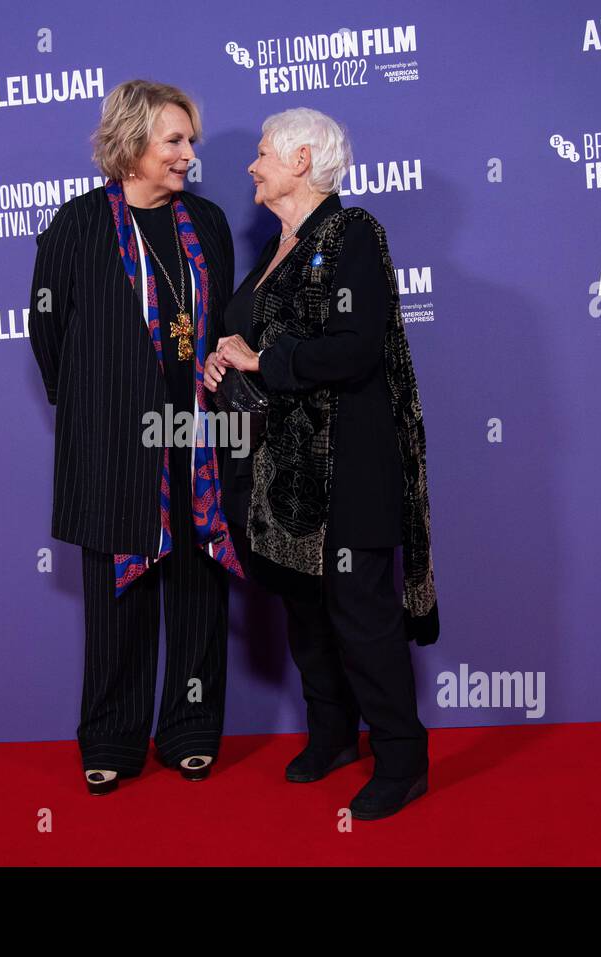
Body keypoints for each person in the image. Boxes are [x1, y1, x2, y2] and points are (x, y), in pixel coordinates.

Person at [207, 107, 441, 820]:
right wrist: (227, 360)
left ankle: (402, 759)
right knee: (304, 615)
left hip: (345, 468)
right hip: (280, 478)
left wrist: (261, 358)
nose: (252, 166)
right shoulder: (278, 249)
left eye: (262, 154)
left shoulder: (353, 234)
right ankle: (334, 736)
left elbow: (353, 347)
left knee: (362, 618)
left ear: (302, 160)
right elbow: (257, 345)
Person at [28, 79, 242, 795]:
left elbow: (215, 331)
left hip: (196, 440)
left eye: (190, 141)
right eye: (174, 141)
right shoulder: (77, 225)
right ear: (130, 143)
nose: (188, 155)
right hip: (114, 442)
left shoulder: (207, 223)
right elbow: (47, 331)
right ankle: (113, 738)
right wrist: (98, 403)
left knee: (196, 591)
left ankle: (190, 729)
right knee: (115, 602)